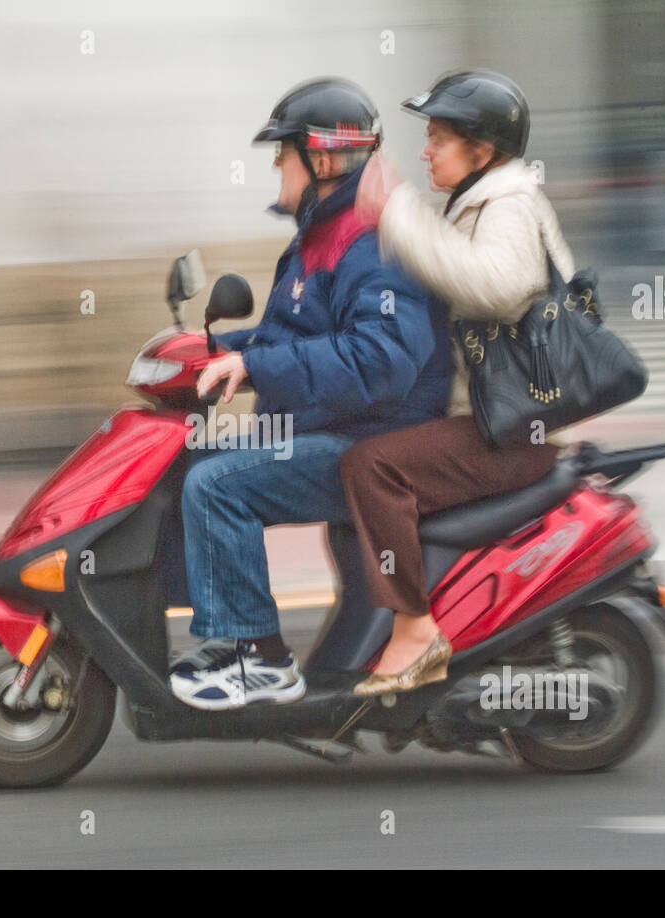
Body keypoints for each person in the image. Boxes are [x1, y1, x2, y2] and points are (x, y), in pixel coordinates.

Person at [168, 77, 454, 710]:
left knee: (218, 484)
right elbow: (291, 334)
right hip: (330, 423)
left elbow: (382, 360)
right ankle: (220, 635)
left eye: (283, 153)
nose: (275, 165)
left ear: (321, 159)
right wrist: (214, 353)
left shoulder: (375, 242)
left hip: (371, 438)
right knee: (187, 461)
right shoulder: (321, 235)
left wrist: (257, 370)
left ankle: (257, 659)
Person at [344, 69, 576, 696]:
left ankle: (416, 633)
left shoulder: (509, 205)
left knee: (373, 467)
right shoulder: (479, 202)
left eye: (439, 138)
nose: (425, 151)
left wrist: (395, 207)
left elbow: (492, 286)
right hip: (496, 421)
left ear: (483, 151)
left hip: (511, 431)